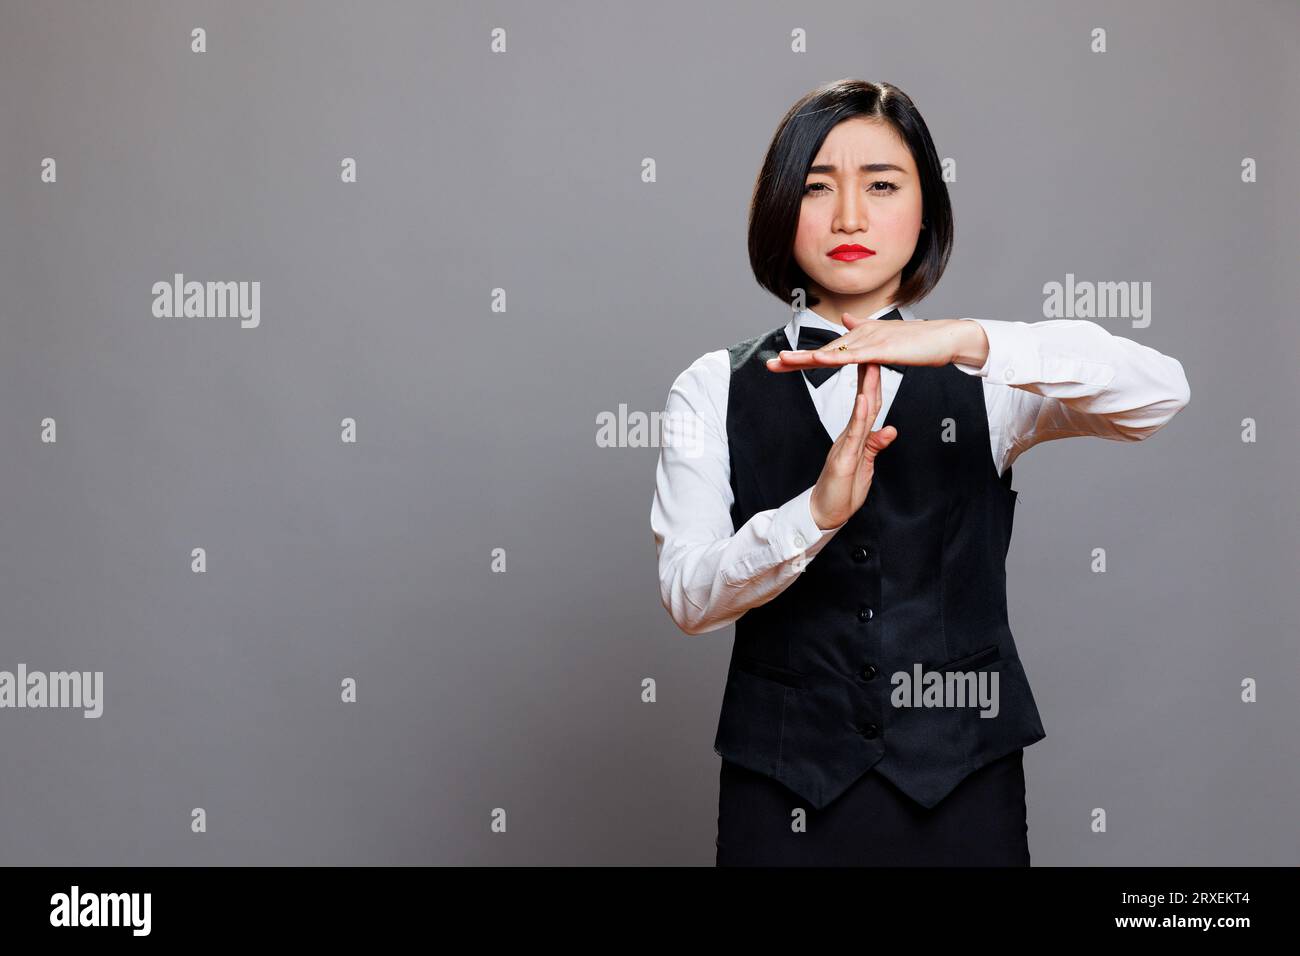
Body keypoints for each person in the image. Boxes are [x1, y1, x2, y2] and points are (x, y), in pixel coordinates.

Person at [650, 78, 1191, 866]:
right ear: (778, 209)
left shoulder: (992, 379)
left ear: (926, 209)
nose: (849, 217)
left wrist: (964, 340)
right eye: (816, 186)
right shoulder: (712, 385)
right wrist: (815, 515)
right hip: (781, 794)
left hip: (964, 789)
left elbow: (1160, 394)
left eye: (881, 185)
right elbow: (688, 597)